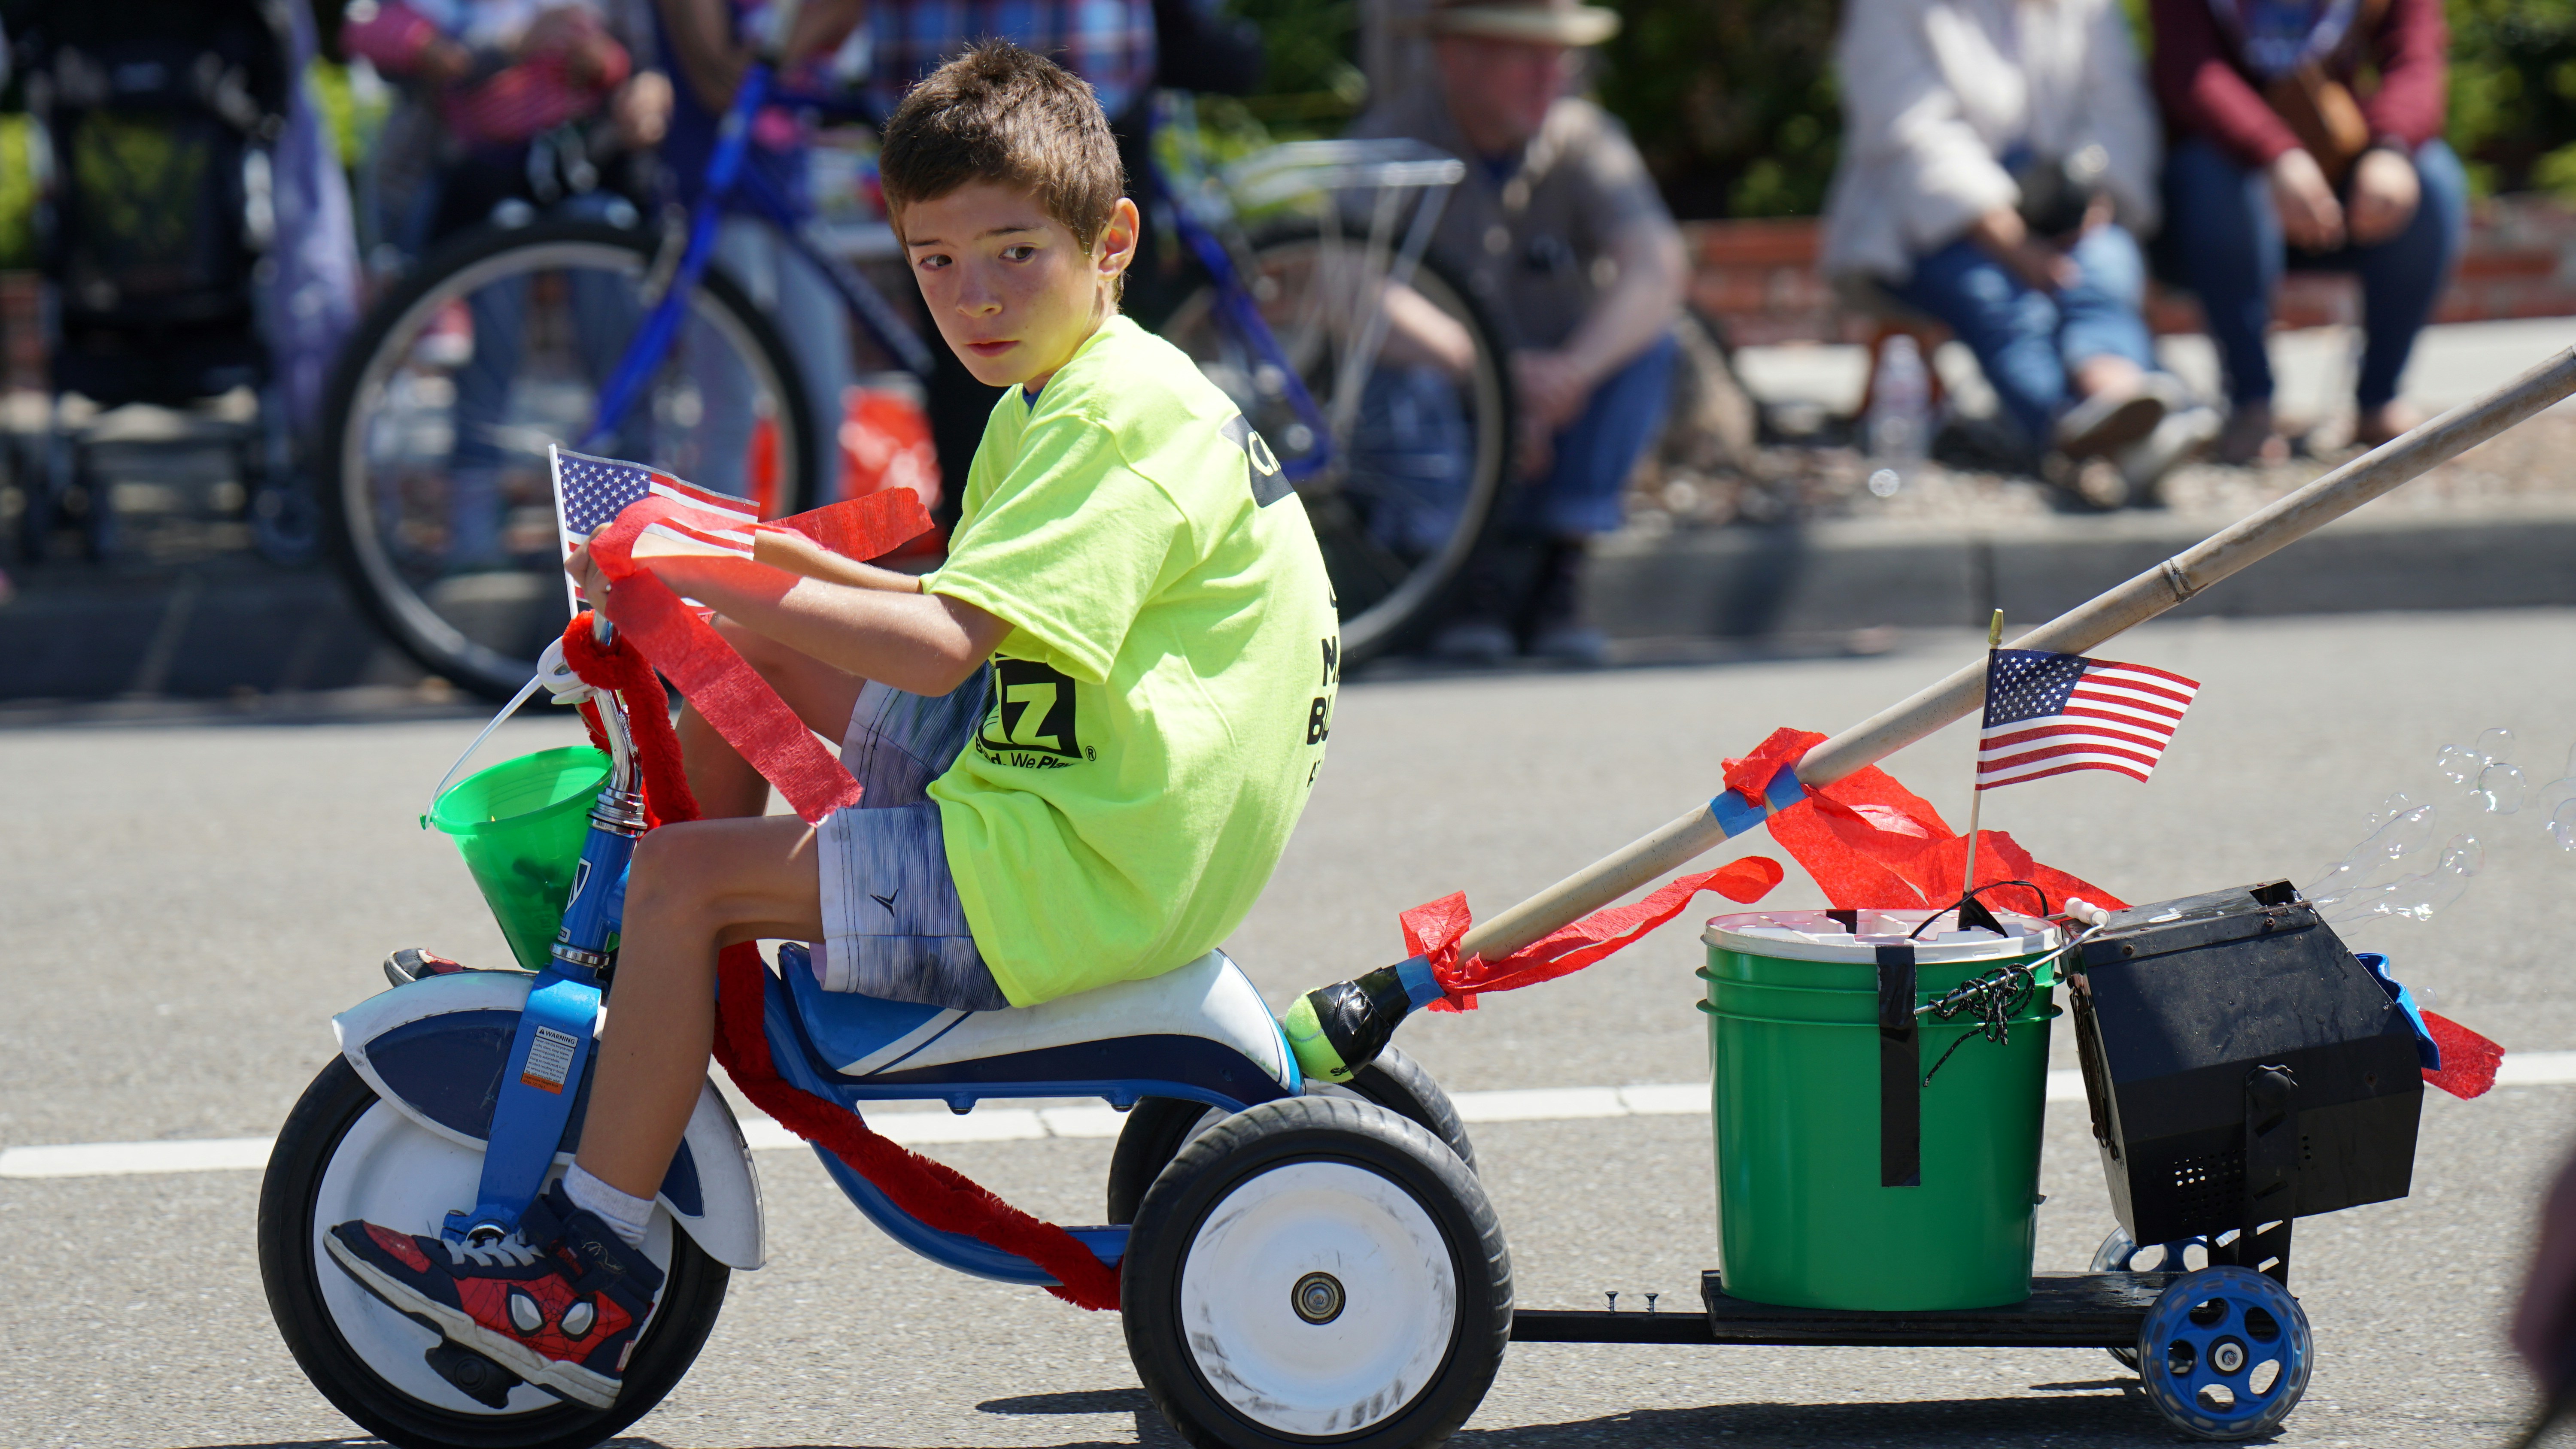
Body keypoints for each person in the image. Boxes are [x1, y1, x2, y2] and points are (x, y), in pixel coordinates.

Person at [322, 42, 1340, 1407]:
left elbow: (934, 650)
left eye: (1010, 253)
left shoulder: (1105, 428)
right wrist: (721, 547)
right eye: (932, 261)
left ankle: (585, 1276)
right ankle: (656, 979)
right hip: (1089, 784)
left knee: (684, 884)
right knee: (746, 649)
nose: (970, 297)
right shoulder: (1080, 383)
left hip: (1076, 868)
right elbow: (946, 602)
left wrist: (688, 566)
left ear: (1112, 241)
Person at [1348, 0, 1689, 664]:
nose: (1549, 78)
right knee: (1390, 371)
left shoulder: (1586, 138)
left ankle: (1562, 563)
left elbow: (1658, 267)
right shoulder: (1390, 144)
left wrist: (1573, 373)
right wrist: (1493, 374)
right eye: (1527, 57)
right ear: (1457, 58)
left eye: (1558, 58)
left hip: (1560, 411)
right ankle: (1454, 574)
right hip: (1454, 399)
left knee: (1653, 343)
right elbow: (1347, 289)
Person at [1823, 0, 2198, 494]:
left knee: (2105, 267)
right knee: (2002, 304)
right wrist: (2013, 242)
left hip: (2067, 218)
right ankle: (2104, 431)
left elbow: (2119, 113)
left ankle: (2109, 397)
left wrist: (2090, 197)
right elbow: (1912, 135)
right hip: (1926, 224)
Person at [2151, 0, 2464, 464]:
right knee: (2211, 180)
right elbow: (2190, 71)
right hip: (2220, 186)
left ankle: (2379, 399)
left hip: (2340, 170)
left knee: (2435, 180)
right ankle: (2250, 402)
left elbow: (2417, 61)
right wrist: (2274, 153)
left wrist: (2391, 148)